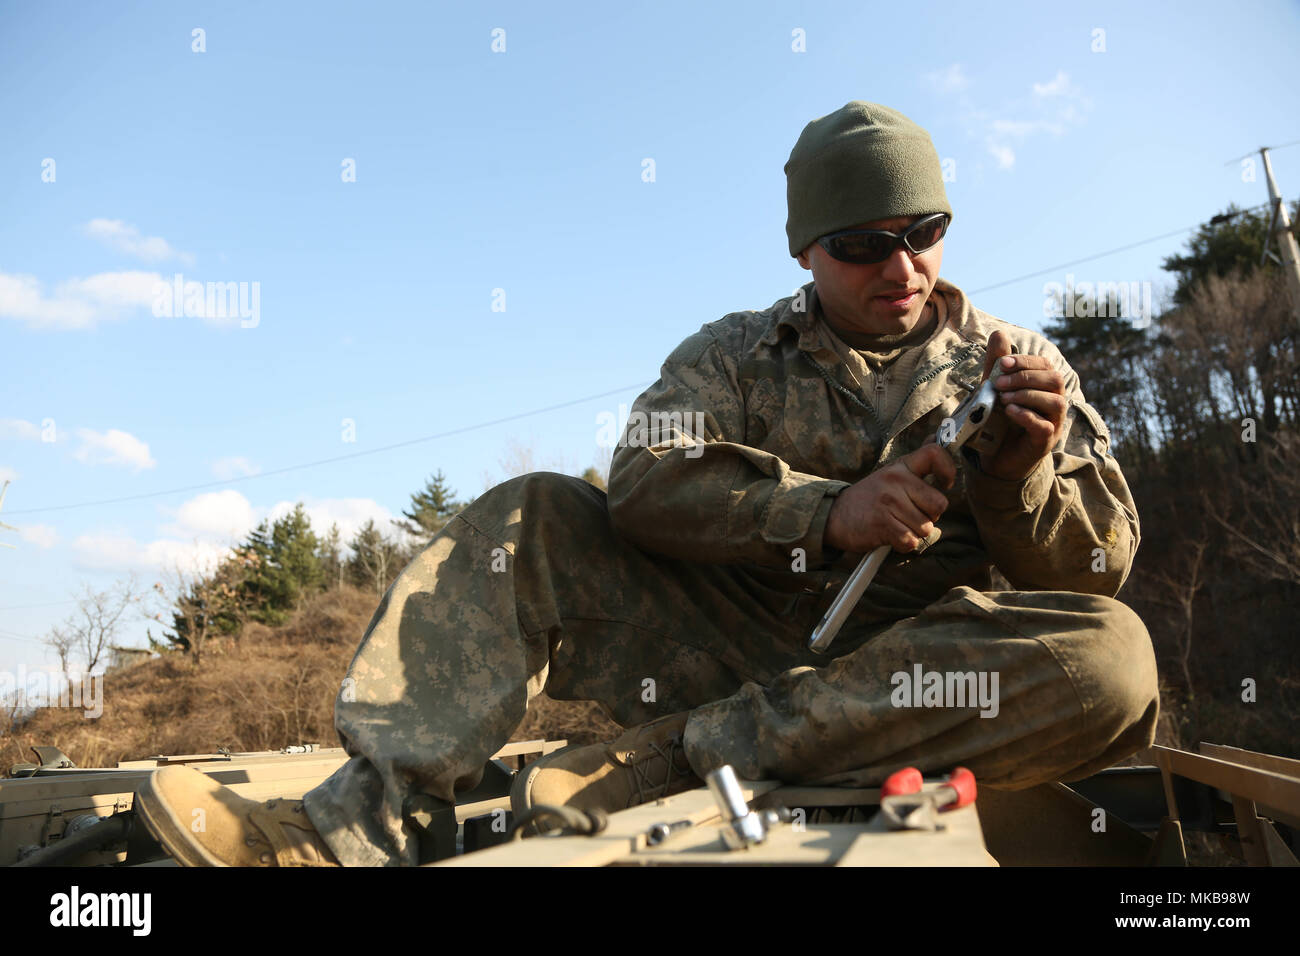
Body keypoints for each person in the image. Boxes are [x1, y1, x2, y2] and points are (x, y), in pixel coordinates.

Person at [134, 101, 1159, 867]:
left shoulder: (1020, 367)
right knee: (534, 514)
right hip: (728, 635)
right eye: (861, 244)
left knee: (1114, 658)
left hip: (917, 681)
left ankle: (680, 753)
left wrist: (1021, 479)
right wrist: (822, 514)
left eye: (922, 231)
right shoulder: (729, 355)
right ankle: (348, 831)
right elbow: (639, 481)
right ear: (806, 246)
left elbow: (1097, 570)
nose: (900, 266)